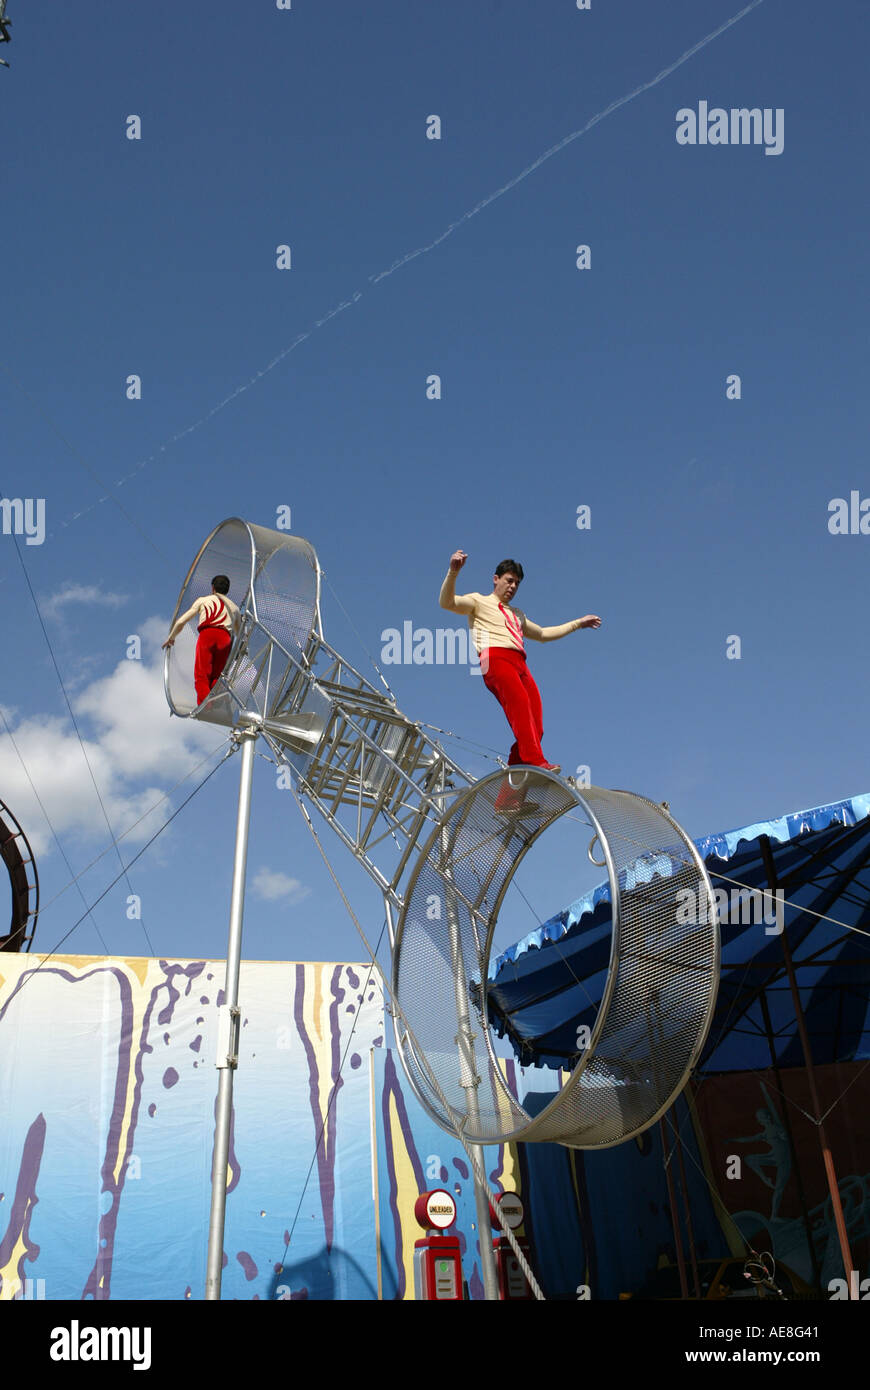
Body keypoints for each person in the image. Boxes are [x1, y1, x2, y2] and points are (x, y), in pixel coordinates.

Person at [439, 551, 601, 809]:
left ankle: (508, 800)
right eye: (509, 580)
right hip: (495, 658)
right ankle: (536, 763)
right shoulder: (479, 601)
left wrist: (578, 624)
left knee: (535, 726)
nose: (512, 587)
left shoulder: (518, 615)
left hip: (520, 663)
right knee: (522, 714)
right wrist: (454, 571)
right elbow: (447, 603)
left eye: (517, 583)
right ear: (496, 579)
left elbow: (545, 634)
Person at [162, 575, 241, 705]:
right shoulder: (235, 608)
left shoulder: (203, 600)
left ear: (213, 588)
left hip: (207, 635)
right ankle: (217, 702)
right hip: (225, 639)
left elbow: (181, 621)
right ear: (227, 590)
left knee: (202, 675)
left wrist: (171, 638)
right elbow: (239, 634)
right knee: (216, 676)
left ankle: (206, 705)